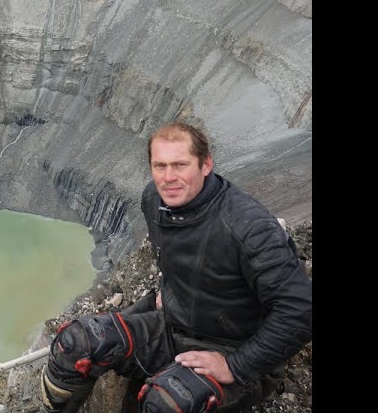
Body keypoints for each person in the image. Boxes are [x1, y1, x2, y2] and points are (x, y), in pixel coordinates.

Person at [39, 122, 312, 412]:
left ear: (206, 164)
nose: (168, 178)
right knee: (75, 344)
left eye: (180, 165)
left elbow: (301, 309)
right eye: (160, 166)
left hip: (233, 348)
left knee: (170, 402)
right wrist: (160, 298)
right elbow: (180, 263)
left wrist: (236, 366)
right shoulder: (154, 200)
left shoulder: (249, 227)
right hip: (172, 329)